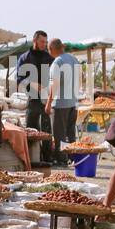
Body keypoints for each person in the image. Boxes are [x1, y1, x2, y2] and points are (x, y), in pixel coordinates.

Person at [16, 30, 55, 158]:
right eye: (42, 41)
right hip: (32, 97)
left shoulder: (49, 58)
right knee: (31, 129)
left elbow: (55, 77)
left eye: (45, 42)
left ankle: (48, 157)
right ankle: (32, 157)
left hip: (45, 98)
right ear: (35, 41)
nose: (44, 44)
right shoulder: (24, 58)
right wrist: (32, 83)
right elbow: (19, 78)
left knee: (46, 128)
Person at [46, 38, 81, 166]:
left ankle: (61, 159)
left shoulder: (58, 62)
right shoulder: (73, 59)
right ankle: (74, 157)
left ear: (52, 49)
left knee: (59, 134)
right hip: (73, 102)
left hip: (60, 104)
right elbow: (79, 78)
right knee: (71, 133)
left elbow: (53, 84)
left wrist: (49, 103)